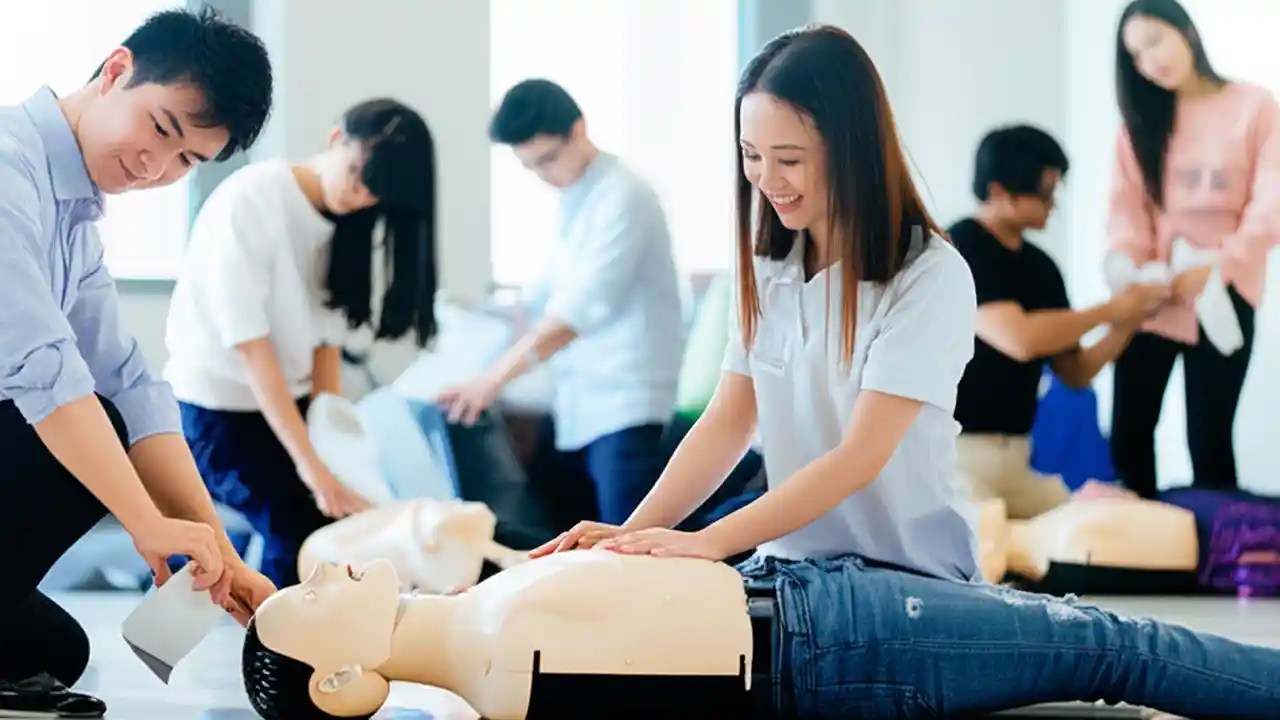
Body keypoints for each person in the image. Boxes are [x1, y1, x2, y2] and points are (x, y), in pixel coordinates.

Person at [509, 22, 1280, 717]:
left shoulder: (929, 274)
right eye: (750, 156)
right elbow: (727, 420)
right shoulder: (768, 266)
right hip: (794, 577)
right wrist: (636, 533)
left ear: (850, 148)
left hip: (909, 582)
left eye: (789, 160)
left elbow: (858, 458)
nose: (767, 180)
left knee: (1119, 648)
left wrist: (707, 542)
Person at [0, 7, 276, 714]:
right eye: (160, 128)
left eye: (187, 160)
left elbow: (129, 382)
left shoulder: (73, 214)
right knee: (77, 429)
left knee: (52, 655)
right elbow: (44, 370)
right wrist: (145, 523)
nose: (157, 166)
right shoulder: (7, 165)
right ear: (116, 69)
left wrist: (221, 551)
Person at [242, 553, 1280, 719]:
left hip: (805, 611)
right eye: (314, 594)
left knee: (1097, 642)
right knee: (1110, 645)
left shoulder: (490, 625)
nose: (328, 567)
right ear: (341, 681)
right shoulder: (498, 651)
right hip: (827, 642)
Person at [163, 98, 439, 588]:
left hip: (287, 405)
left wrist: (332, 449)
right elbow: (253, 351)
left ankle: (273, 629)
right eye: (354, 174)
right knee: (296, 528)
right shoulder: (253, 200)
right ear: (335, 140)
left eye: (373, 192)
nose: (358, 197)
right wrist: (313, 471)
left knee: (335, 522)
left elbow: (325, 350)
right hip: (217, 409)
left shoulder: (347, 219)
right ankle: (275, 655)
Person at [438, 79, 685, 528]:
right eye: (531, 167)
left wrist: (490, 382)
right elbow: (539, 301)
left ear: (579, 129)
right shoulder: (573, 202)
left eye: (548, 160)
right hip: (579, 404)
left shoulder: (625, 197)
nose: (544, 176)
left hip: (627, 403)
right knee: (568, 538)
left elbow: (575, 313)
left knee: (627, 549)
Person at [950, 125, 1169, 518]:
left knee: (1082, 534)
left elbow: (1075, 371)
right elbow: (1019, 339)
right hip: (957, 457)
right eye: (1046, 191)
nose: (1054, 204)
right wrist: (1111, 310)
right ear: (1001, 191)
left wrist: (1128, 319)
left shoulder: (1042, 267)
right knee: (985, 541)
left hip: (1018, 458)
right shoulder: (959, 246)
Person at [1108, 0, 1280, 498]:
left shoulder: (1255, 107)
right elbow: (1126, 212)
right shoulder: (1138, 125)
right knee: (1129, 434)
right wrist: (1132, 270)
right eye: (1136, 54)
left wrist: (1222, 266)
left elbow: (1270, 203)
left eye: (1156, 41)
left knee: (1208, 438)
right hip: (1155, 297)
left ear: (1185, 29)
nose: (1150, 60)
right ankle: (1139, 558)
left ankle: (1218, 563)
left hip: (1225, 295)